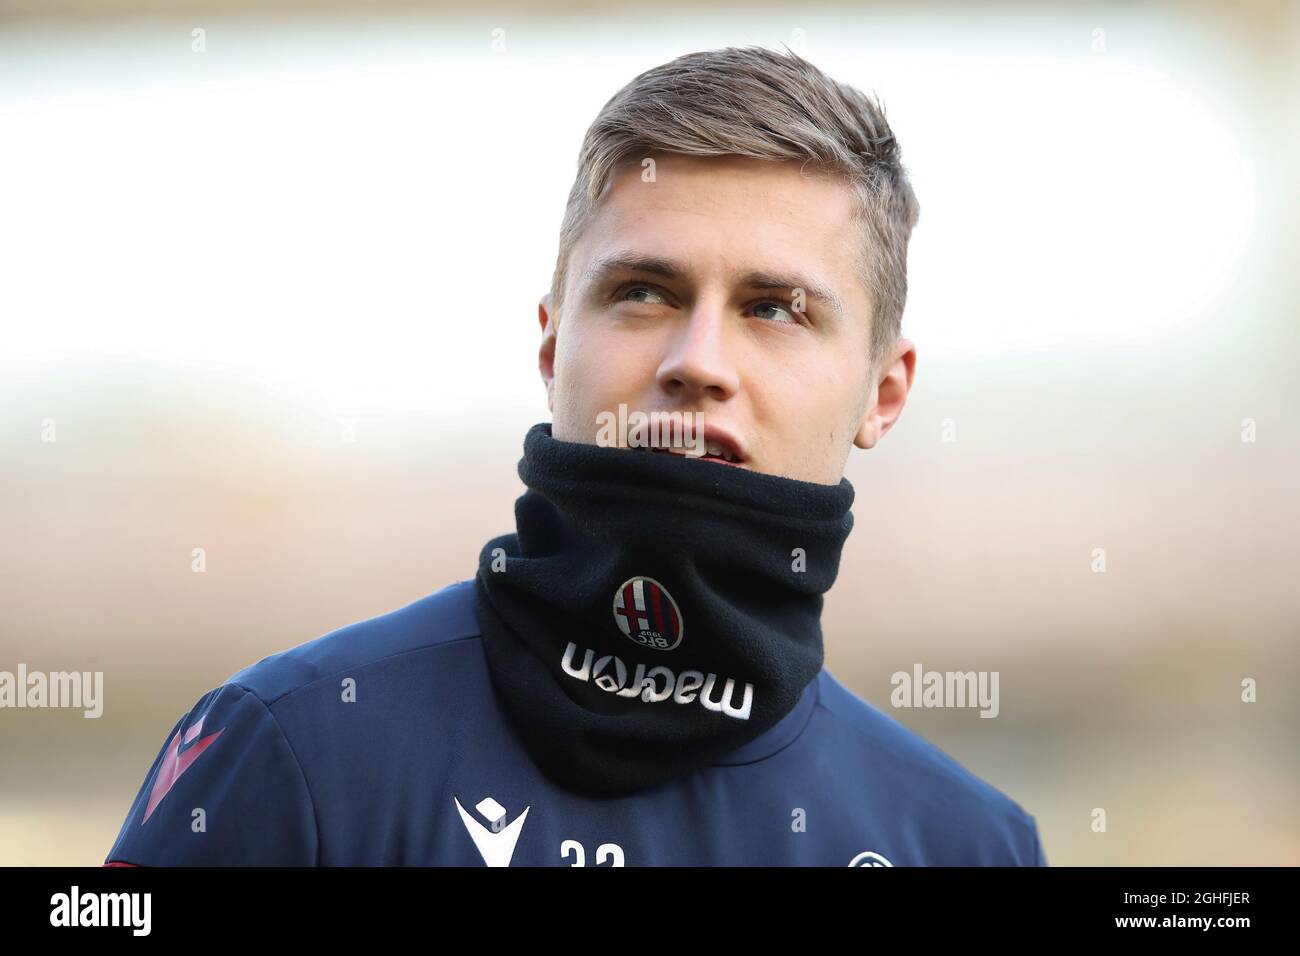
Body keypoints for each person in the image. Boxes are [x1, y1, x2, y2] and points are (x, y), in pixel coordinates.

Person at [104, 45, 1046, 866]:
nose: (697, 362)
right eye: (644, 291)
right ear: (553, 349)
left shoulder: (967, 844)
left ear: (883, 392)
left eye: (775, 309)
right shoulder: (291, 748)